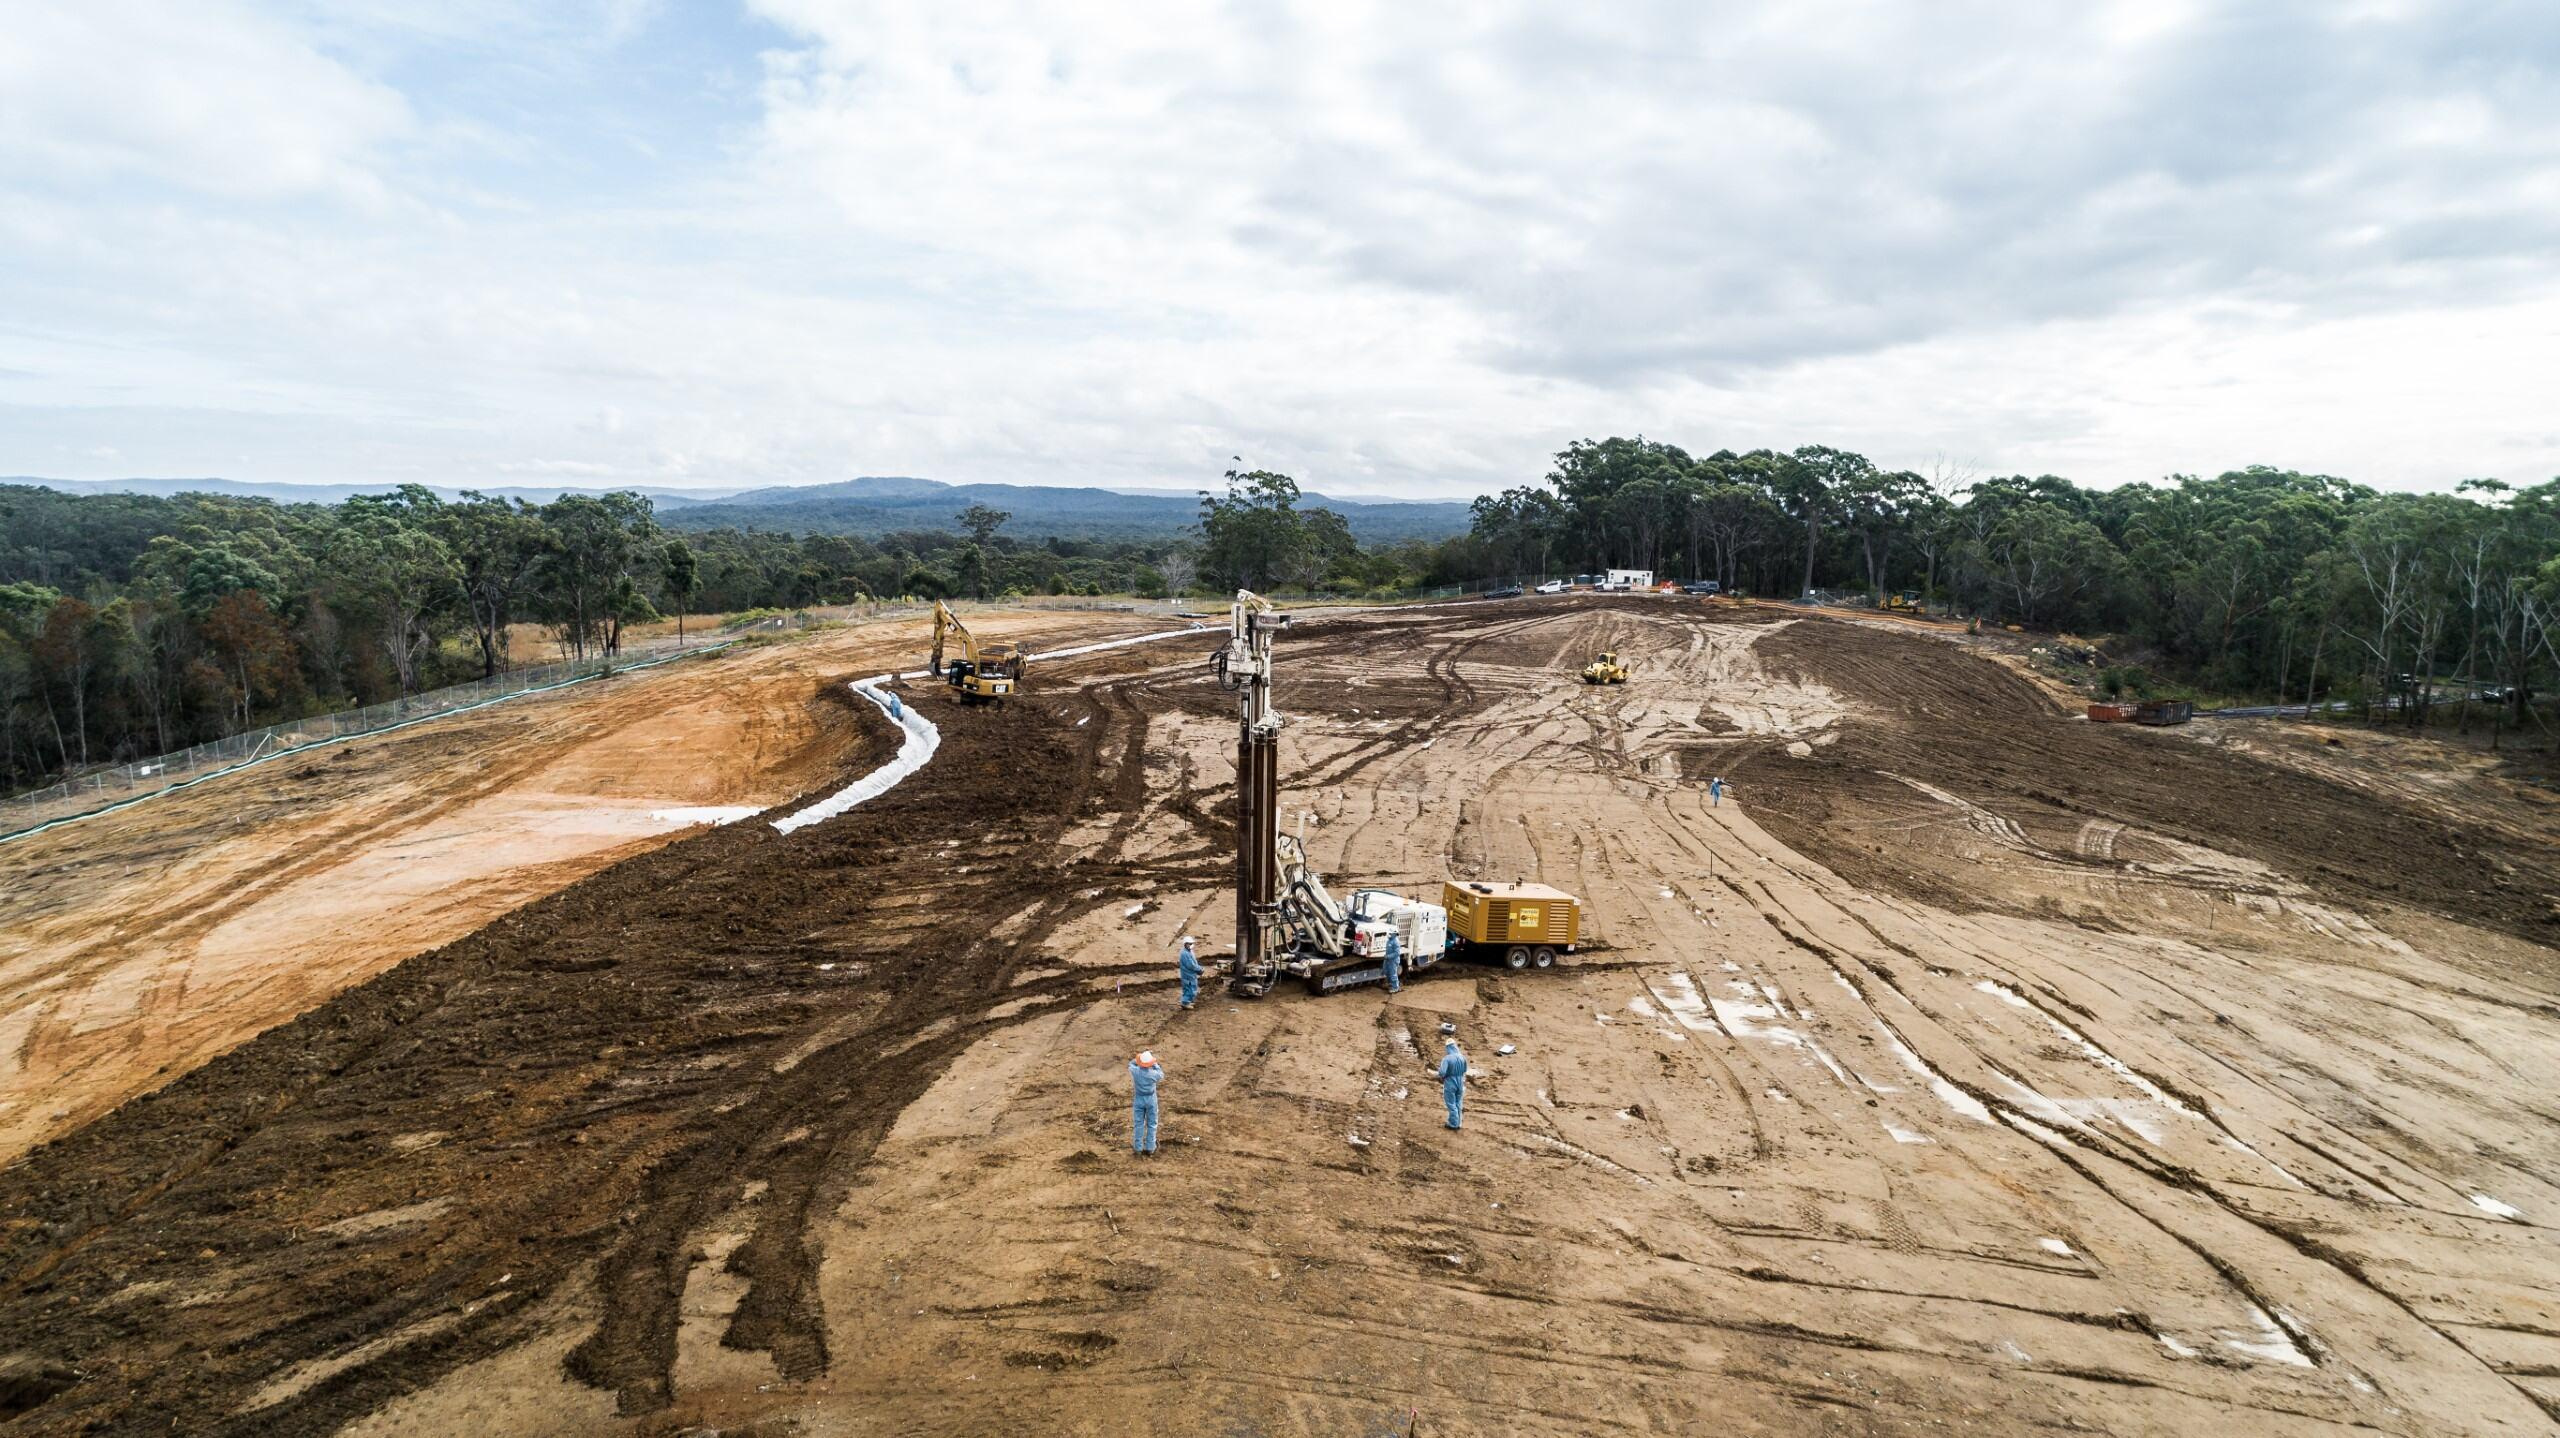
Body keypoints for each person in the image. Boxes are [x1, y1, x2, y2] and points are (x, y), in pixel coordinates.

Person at [1129, 1050, 1162, 1155]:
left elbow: (1131, 1063)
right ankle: (1150, 1147)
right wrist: (1154, 1064)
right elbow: (1161, 1073)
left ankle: (1138, 1148)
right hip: (1151, 1098)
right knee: (1152, 1123)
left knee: (1139, 1123)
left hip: (1139, 1098)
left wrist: (1138, 1060)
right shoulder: (1154, 1074)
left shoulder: (1135, 1071)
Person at [1436, 1037, 1467, 1129]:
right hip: (1460, 1081)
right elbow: (1465, 1070)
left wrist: (1443, 1076)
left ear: (1448, 1048)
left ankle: (1453, 1124)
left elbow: (1442, 1072)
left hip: (1450, 1082)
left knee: (1451, 1103)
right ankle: (1459, 1123)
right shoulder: (1462, 1057)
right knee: (1458, 1102)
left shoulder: (1447, 1058)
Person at [1177, 936, 1201, 1010]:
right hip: (1188, 975)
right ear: (1185, 944)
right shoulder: (1185, 953)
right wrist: (1199, 969)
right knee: (1190, 989)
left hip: (1191, 974)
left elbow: (1194, 962)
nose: (1190, 945)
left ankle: (1188, 1001)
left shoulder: (1189, 951)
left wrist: (1198, 968)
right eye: (1189, 944)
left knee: (1190, 988)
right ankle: (1185, 1003)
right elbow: (1191, 965)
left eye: (1191, 944)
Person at [1381, 929, 1402, 994]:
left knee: (1393, 974)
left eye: (1390, 933)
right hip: (1388, 959)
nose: (1389, 935)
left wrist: (1388, 956)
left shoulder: (1396, 942)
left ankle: (1395, 987)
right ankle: (1390, 984)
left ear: (1394, 934)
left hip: (1393, 960)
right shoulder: (1389, 941)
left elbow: (1397, 953)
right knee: (1387, 972)